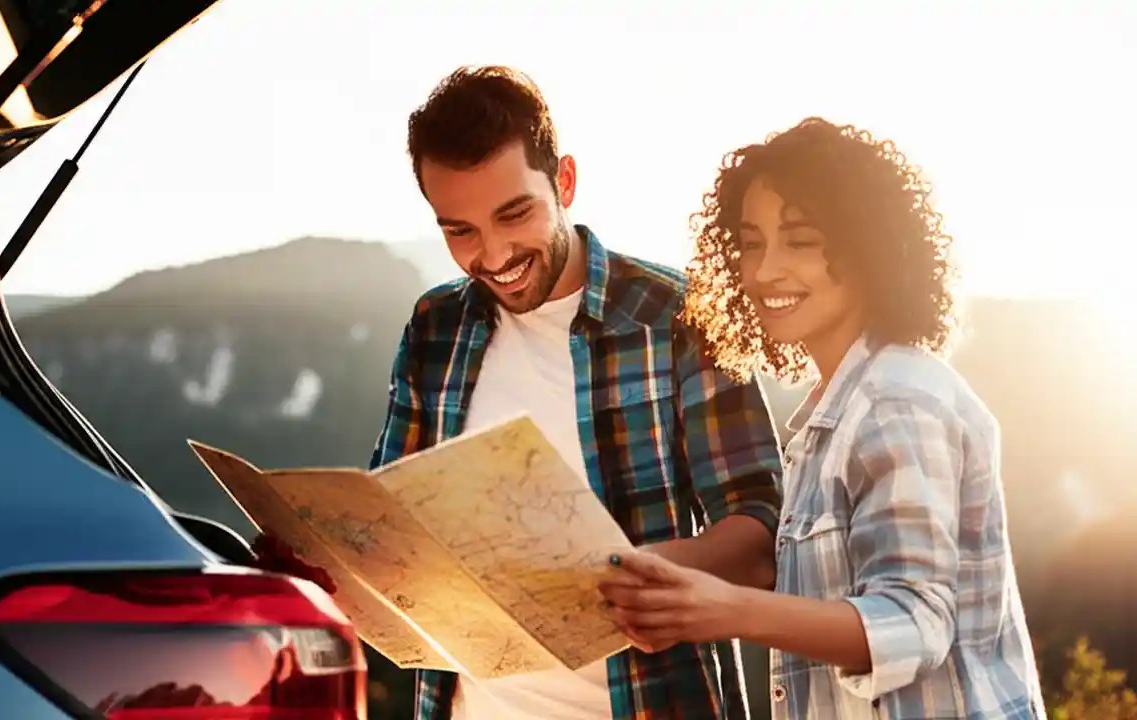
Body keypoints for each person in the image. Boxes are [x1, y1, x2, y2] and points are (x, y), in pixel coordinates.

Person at [369, 65, 785, 720]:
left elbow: (762, 536)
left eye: (515, 213)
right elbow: (387, 517)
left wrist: (633, 578)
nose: (495, 254)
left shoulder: (678, 316)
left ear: (563, 181)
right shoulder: (434, 329)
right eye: (460, 231)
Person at [598, 117, 1047, 719]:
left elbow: (914, 623)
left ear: (868, 249)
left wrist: (725, 609)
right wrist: (667, 593)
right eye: (752, 242)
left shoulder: (895, 402)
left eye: (800, 239)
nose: (763, 271)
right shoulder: (830, 416)